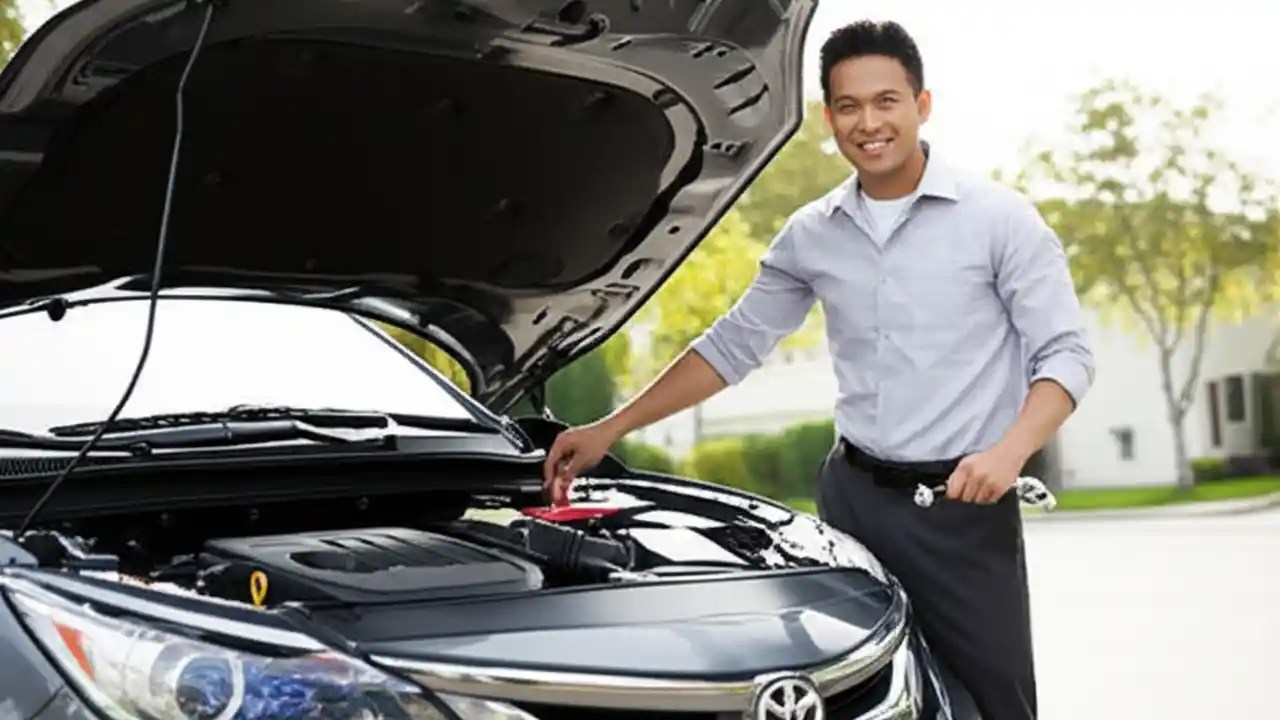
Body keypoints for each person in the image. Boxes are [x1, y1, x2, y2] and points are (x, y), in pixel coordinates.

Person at [541, 19, 1093, 720]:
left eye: (886, 101)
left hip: (964, 512)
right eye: (850, 106)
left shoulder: (998, 221)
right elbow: (734, 344)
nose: (869, 122)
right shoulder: (812, 234)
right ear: (829, 118)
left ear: (922, 106)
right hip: (854, 503)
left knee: (995, 704)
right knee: (859, 695)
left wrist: (1010, 452)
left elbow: (1067, 355)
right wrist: (610, 428)